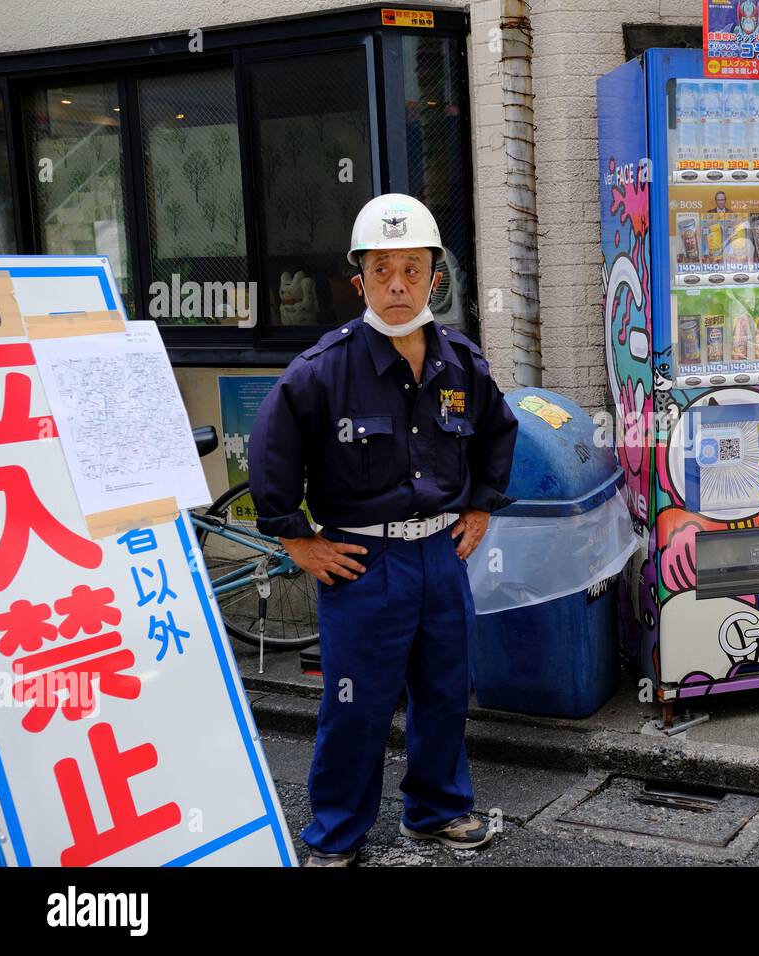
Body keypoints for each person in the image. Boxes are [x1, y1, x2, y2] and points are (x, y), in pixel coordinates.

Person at [249, 193, 519, 866]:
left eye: (412, 267)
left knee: (444, 693)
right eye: (381, 270)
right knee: (355, 706)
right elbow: (270, 454)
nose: (397, 284)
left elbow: (497, 432)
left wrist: (481, 505)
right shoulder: (322, 372)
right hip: (363, 566)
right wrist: (296, 540)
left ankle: (435, 812)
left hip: (440, 555)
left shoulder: (460, 363)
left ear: (434, 276)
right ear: (359, 280)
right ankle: (337, 836)